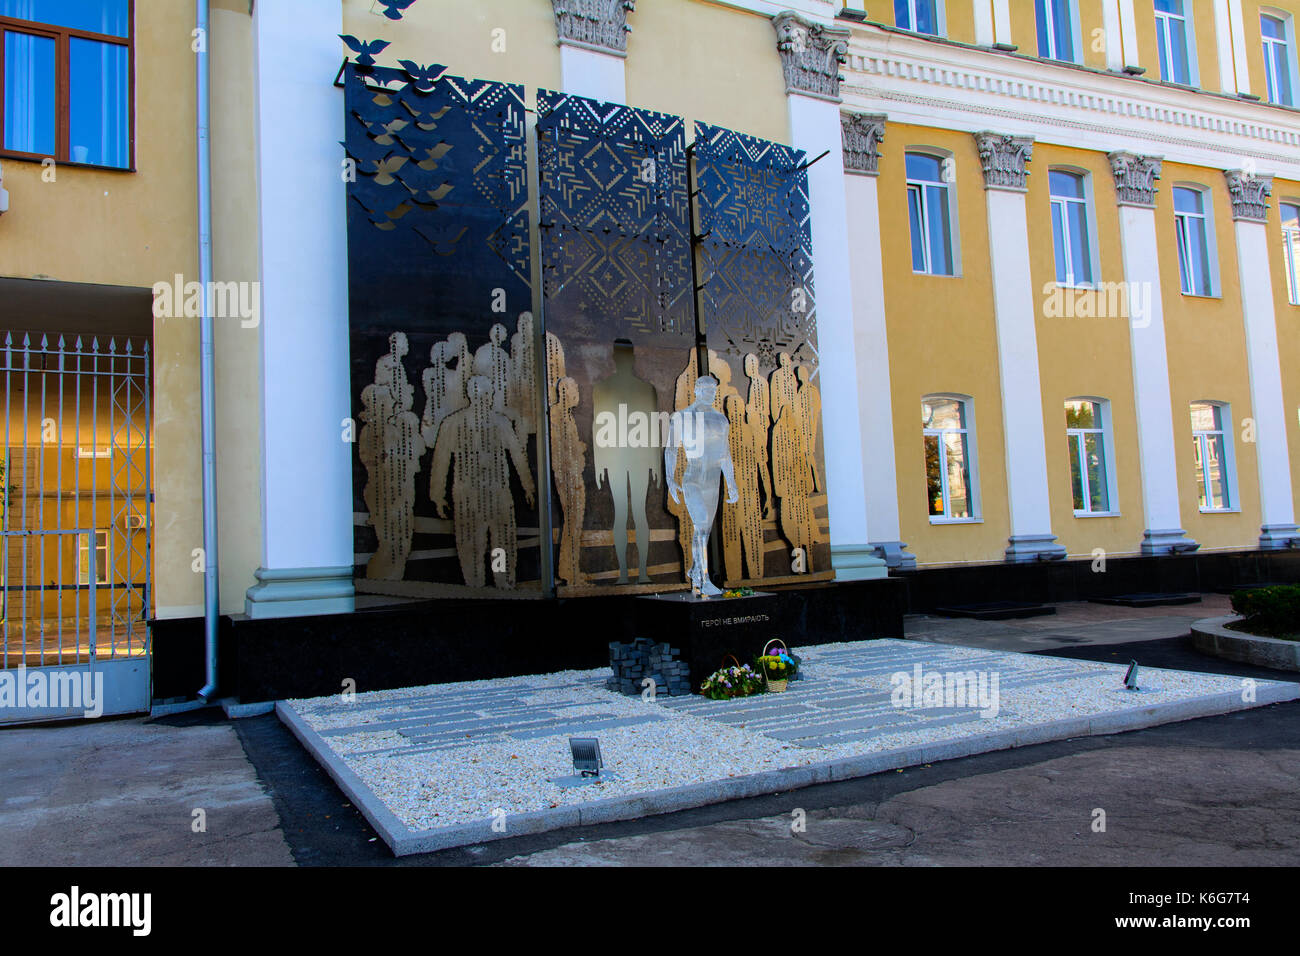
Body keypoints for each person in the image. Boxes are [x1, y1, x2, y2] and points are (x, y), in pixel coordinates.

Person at [429, 375, 536, 588]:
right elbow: (440, 461)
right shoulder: (452, 423)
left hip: (495, 494)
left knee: (498, 544)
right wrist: (437, 495)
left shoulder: (500, 422)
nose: (483, 398)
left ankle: (501, 585)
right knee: (473, 546)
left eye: (486, 394)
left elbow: (517, 455)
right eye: (481, 394)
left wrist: (528, 486)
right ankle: (480, 587)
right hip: (470, 495)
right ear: (472, 395)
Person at [665, 375, 738, 597]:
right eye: (706, 390)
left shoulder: (720, 420)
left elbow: (725, 454)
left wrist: (732, 484)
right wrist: (670, 478)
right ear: (697, 390)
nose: (711, 394)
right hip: (694, 478)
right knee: (701, 524)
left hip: (714, 480)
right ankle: (703, 578)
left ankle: (696, 572)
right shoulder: (682, 417)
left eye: (713, 390)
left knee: (704, 531)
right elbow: (671, 449)